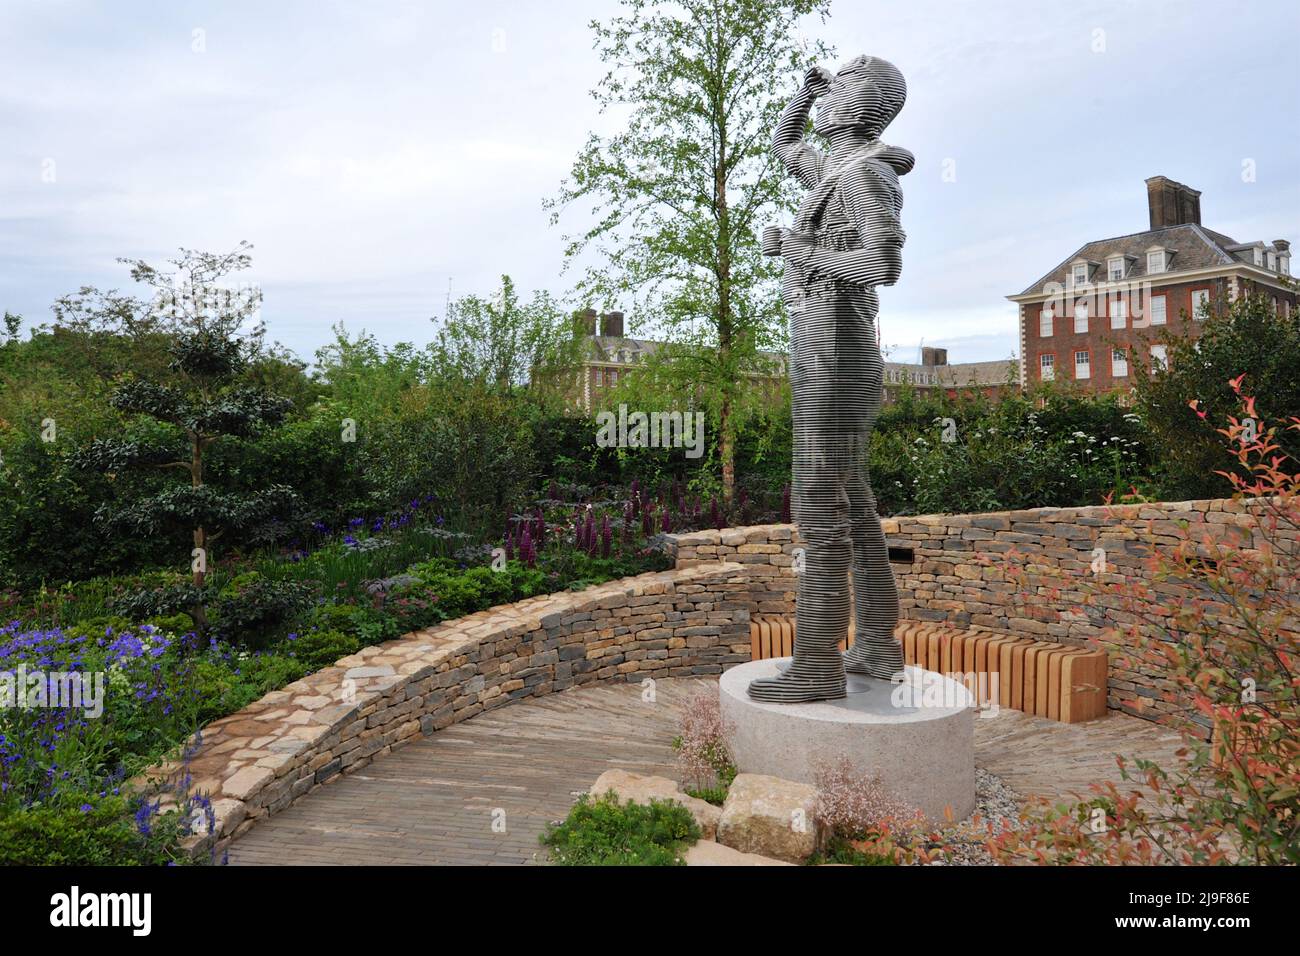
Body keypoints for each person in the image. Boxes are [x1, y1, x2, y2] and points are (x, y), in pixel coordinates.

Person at [748, 56, 914, 704]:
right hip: (825, 342)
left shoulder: (866, 175)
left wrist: (797, 248)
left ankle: (816, 663)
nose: (828, 94)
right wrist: (801, 93)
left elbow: (882, 262)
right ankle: (875, 642)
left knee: (819, 506)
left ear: (859, 107)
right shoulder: (838, 168)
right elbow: (785, 144)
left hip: (838, 350)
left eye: (838, 86)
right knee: (856, 503)